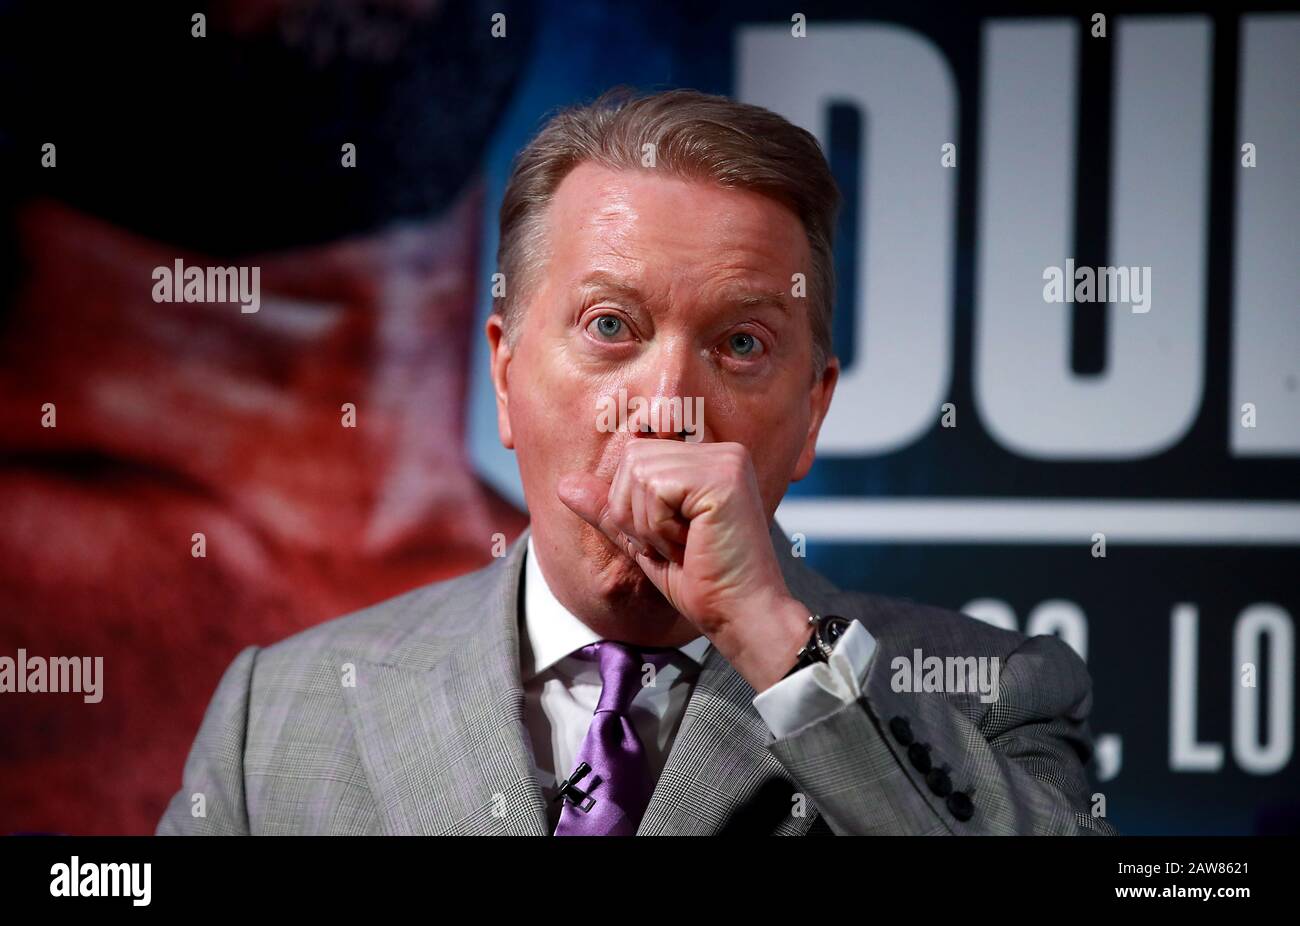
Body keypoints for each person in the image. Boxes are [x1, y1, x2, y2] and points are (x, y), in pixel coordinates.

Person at [158, 87, 1115, 836]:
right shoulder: (277, 714)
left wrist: (782, 650)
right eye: (610, 326)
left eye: (741, 344)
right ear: (503, 372)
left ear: (813, 411)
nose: (667, 408)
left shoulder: (997, 696)